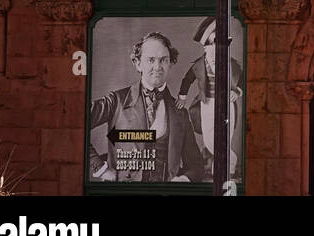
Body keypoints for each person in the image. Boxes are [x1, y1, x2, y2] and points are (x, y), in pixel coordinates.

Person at [88, 31, 205, 184]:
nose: (157, 67)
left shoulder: (180, 113)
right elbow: (76, 123)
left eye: (163, 60)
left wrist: (184, 179)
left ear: (170, 63)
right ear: (138, 64)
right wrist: (100, 168)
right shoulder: (115, 101)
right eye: (151, 60)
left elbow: (196, 165)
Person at [177, 17, 243, 180]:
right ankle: (227, 162)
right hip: (207, 104)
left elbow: (241, 80)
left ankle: (227, 169)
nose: (216, 48)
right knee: (209, 140)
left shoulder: (232, 64)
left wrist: (238, 91)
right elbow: (187, 80)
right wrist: (182, 97)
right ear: (205, 46)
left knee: (224, 136)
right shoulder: (198, 65)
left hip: (227, 105)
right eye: (212, 44)